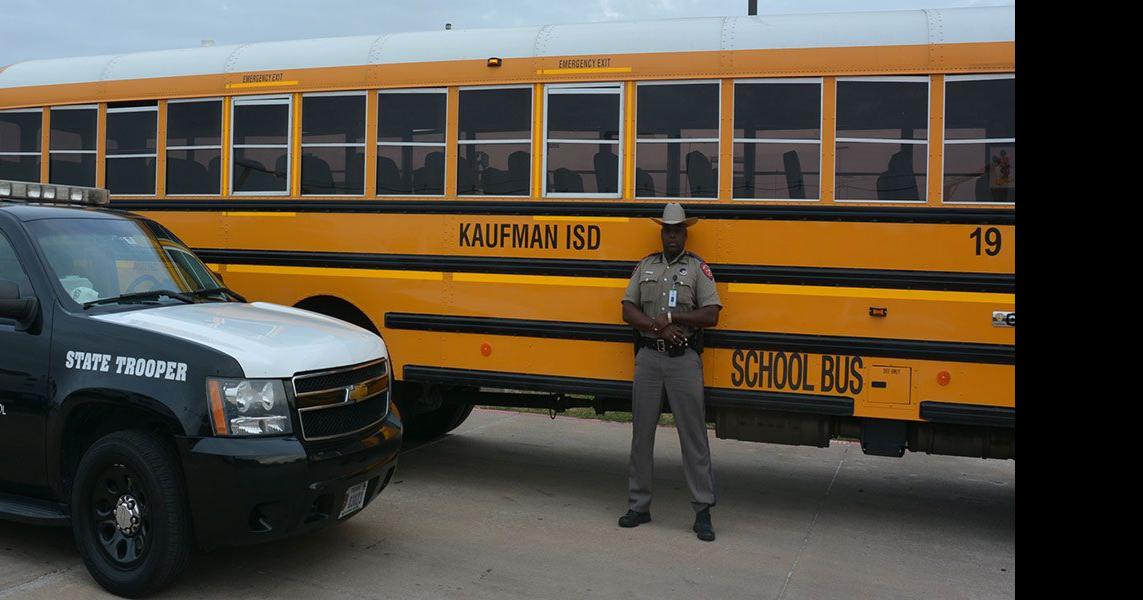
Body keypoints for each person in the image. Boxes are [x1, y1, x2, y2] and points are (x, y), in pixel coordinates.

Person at [618, 202, 722, 541]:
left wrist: (675, 320)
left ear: (685, 234)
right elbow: (627, 308)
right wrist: (656, 327)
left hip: (683, 361)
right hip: (649, 357)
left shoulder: (697, 269)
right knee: (641, 434)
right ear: (662, 232)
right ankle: (639, 505)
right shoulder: (645, 265)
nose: (672, 235)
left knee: (693, 436)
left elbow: (711, 315)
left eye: (677, 230)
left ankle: (703, 510)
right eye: (667, 229)